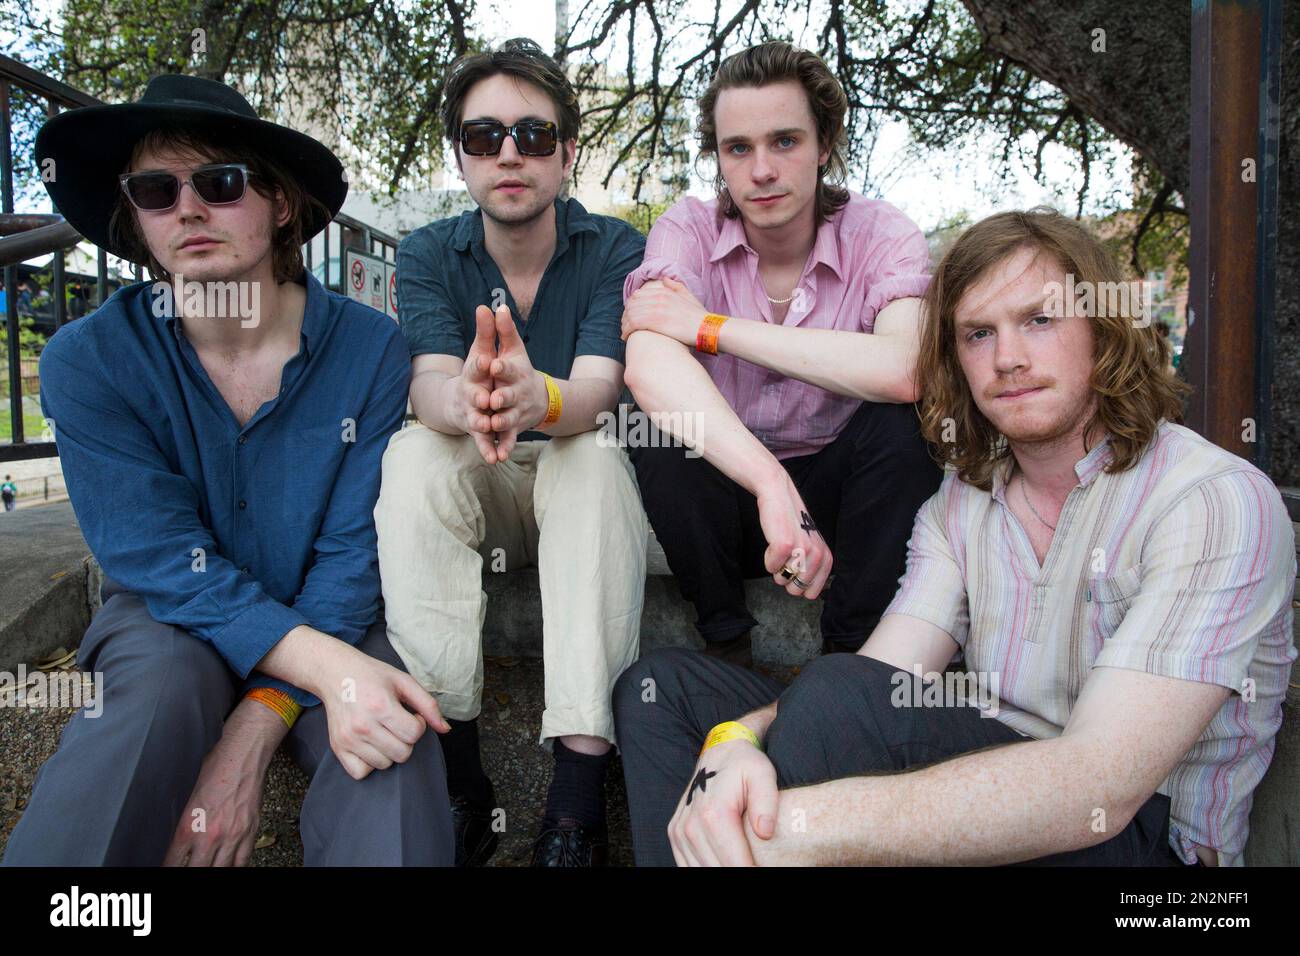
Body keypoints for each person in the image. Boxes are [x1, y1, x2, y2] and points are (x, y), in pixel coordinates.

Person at [614, 207, 1296, 867]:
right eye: (977, 334)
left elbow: (1101, 788)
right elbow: (883, 678)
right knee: (666, 690)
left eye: (1039, 320)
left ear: (1102, 329)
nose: (1008, 358)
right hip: (986, 779)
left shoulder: (1211, 501)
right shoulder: (964, 502)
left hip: (1139, 849)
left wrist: (789, 832)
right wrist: (739, 738)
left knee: (834, 702)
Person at [2, 74, 454, 867]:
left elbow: (352, 554)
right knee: (150, 697)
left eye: (220, 182)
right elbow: (158, 561)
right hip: (169, 618)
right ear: (135, 216)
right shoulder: (90, 360)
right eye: (154, 189)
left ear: (280, 203)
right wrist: (326, 670)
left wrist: (255, 728)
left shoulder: (370, 347)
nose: (187, 208)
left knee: (388, 739)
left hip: (330, 613)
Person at [374, 38, 648, 867]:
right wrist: (469, 398)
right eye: (483, 136)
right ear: (460, 154)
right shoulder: (427, 252)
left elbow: (600, 386)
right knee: (413, 456)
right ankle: (460, 781)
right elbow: (426, 382)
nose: (508, 155)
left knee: (595, 453)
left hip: (571, 473)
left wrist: (541, 399)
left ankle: (573, 803)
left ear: (567, 152)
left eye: (533, 136)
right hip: (480, 474)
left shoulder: (614, 249)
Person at [621, 41, 941, 669]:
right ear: (719, 158)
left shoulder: (880, 233)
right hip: (732, 504)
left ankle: (850, 659)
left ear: (825, 145)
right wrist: (770, 481)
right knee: (660, 428)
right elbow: (647, 363)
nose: (761, 170)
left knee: (907, 424)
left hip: (843, 502)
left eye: (785, 141)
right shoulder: (688, 227)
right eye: (738, 148)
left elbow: (908, 369)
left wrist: (712, 328)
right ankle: (726, 645)